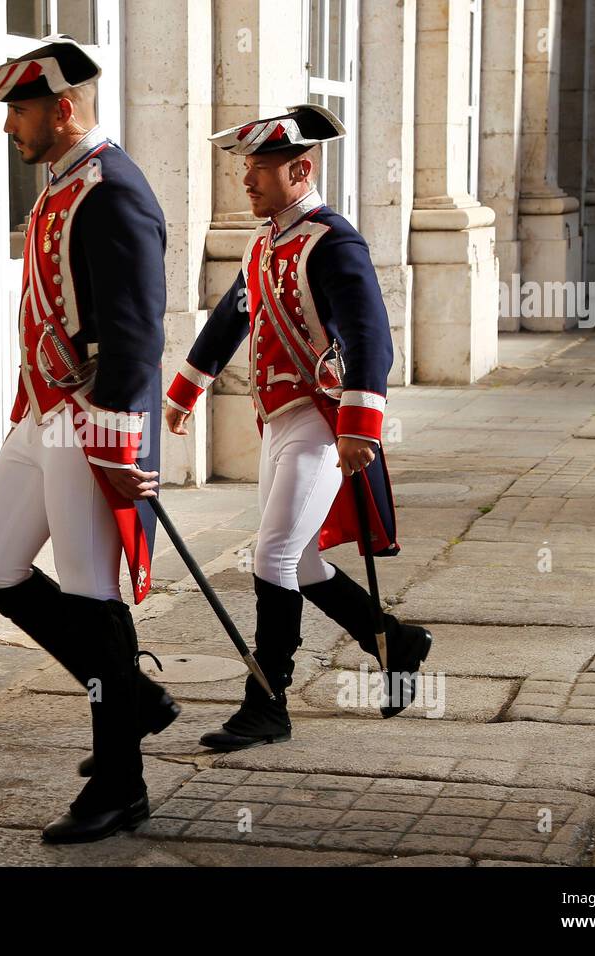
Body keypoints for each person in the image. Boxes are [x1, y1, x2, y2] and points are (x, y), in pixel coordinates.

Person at [164, 105, 434, 752]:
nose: (247, 183)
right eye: (246, 170)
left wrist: (360, 423)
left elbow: (371, 334)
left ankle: (268, 702)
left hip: (320, 418)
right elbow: (230, 320)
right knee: (303, 560)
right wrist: (184, 392)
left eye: (259, 171)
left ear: (301, 168)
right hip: (280, 424)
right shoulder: (264, 244)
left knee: (274, 556)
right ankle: (395, 640)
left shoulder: (333, 240)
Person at [0, 37, 179, 843]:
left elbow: (134, 333)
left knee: (91, 593)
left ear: (62, 107)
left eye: (19, 108)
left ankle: (120, 785)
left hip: (92, 421)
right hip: (44, 411)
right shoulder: (65, 182)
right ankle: (135, 698)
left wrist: (120, 449)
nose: (10, 125)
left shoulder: (113, 189)